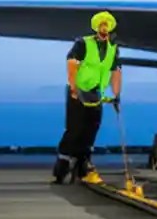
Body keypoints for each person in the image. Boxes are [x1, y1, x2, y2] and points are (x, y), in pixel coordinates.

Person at [52, 11, 122, 184]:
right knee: (75, 129)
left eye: (107, 26)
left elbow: (116, 71)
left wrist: (116, 95)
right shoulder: (83, 43)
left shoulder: (113, 48)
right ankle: (62, 168)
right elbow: (72, 63)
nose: (104, 29)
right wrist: (74, 88)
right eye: (101, 25)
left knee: (92, 128)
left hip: (96, 92)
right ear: (97, 27)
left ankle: (83, 165)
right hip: (79, 91)